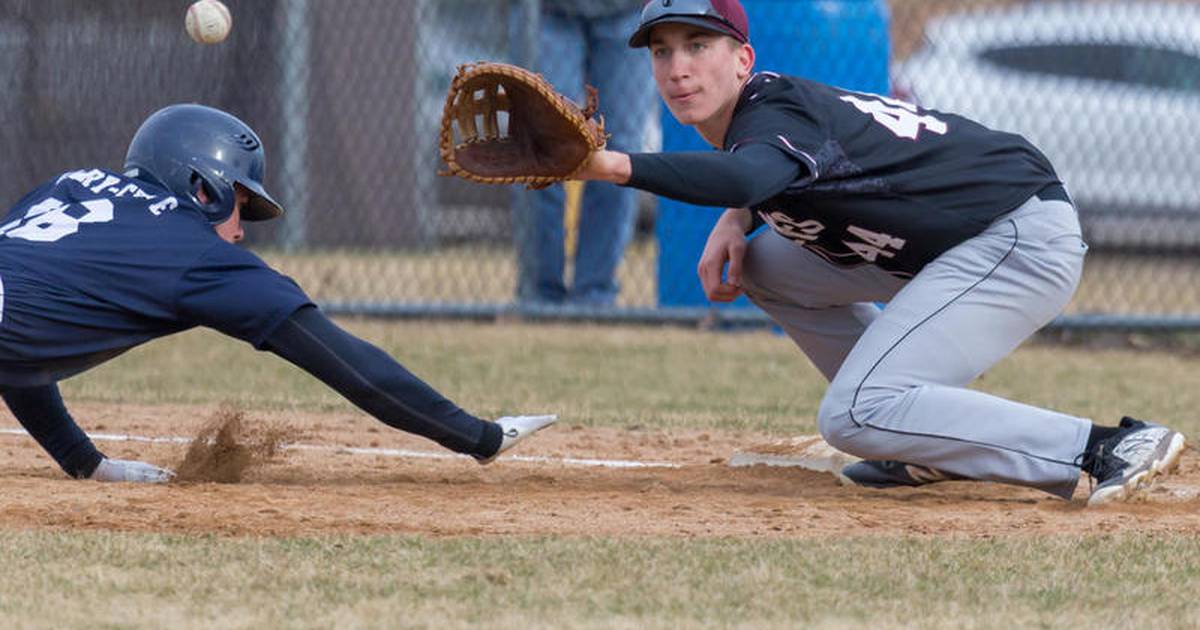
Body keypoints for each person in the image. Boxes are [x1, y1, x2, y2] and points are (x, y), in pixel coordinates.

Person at [575, 0, 1186, 505]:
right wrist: (736, 221)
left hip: (1015, 237)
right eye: (662, 51)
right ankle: (915, 445)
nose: (678, 67)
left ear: (743, 60)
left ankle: (1102, 444)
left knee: (851, 417)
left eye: (698, 45)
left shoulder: (773, 111)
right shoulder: (770, 115)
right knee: (761, 266)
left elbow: (748, 174)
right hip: (951, 245)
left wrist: (607, 165)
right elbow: (762, 177)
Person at [0, 103, 556, 483]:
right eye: (240, 205)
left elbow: (21, 346)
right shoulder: (197, 254)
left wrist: (83, 461)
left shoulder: (70, 185)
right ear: (203, 187)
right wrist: (479, 436)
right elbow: (348, 363)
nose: (241, 230)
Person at [512, 0, 655, 306]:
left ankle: (594, 295)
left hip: (629, 13)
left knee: (621, 151)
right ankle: (539, 295)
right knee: (541, 147)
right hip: (545, 12)